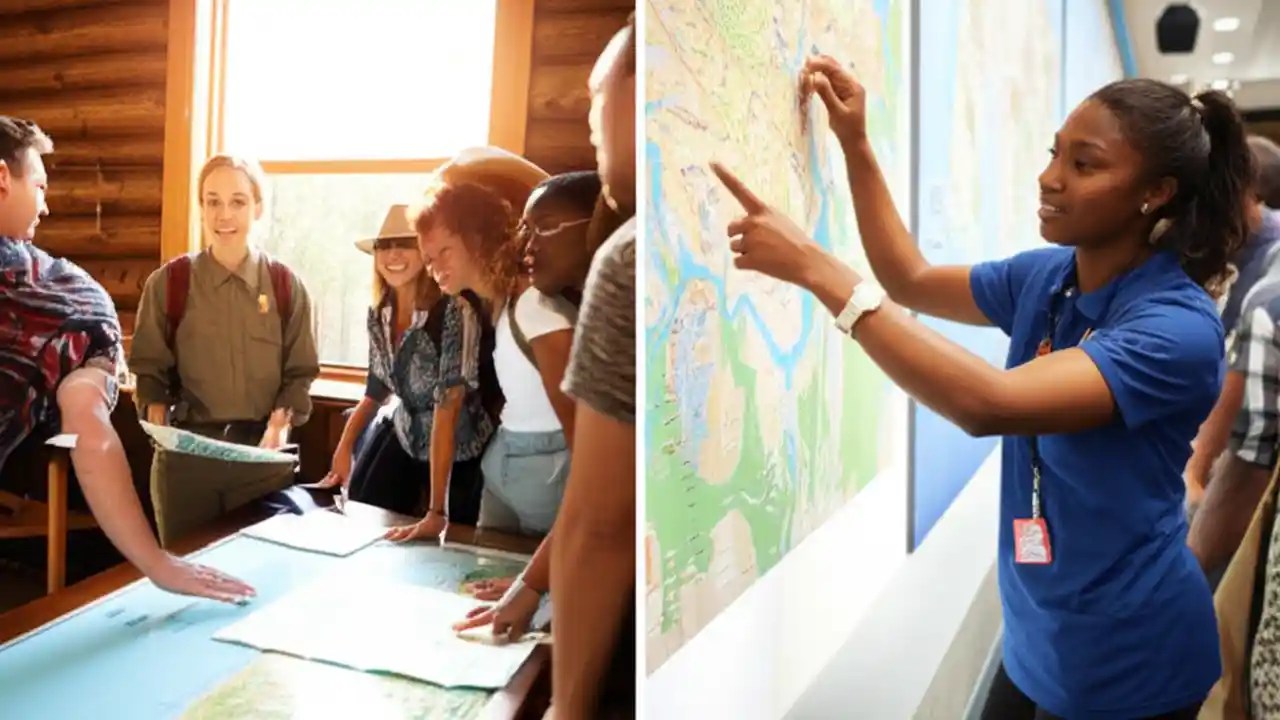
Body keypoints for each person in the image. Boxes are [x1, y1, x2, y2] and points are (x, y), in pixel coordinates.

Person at [711, 62, 1253, 718]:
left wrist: (818, 271)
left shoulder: (1176, 329)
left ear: (1155, 193)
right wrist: (855, 144)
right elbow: (909, 277)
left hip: (1129, 657)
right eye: (1055, 152)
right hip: (1038, 631)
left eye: (1085, 165)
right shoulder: (1049, 276)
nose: (1049, 177)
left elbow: (987, 404)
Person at [0, 116, 253, 603]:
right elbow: (89, 424)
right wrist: (156, 563)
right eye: (40, 185)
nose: (47, 205)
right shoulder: (68, 298)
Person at [129, 154, 319, 546]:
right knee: (186, 577)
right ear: (201, 207)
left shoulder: (287, 287)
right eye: (212, 201)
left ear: (258, 207)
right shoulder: (169, 283)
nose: (224, 214)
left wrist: (279, 424)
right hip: (186, 466)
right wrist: (155, 412)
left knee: (259, 581)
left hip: (261, 463)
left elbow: (300, 373)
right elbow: (149, 372)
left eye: (238, 201)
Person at [450, 171, 604, 635]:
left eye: (546, 227)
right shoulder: (540, 304)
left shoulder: (548, 314)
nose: (527, 245)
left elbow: (596, 477)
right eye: (524, 230)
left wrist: (533, 584)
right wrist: (531, 580)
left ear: (598, 224)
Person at [546, 14, 637, 719]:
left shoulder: (633, 257)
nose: (591, 118)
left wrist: (565, 707)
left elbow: (599, 525)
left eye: (599, 92)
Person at [1183, 136, 1280, 581]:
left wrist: (1198, 469)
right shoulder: (1211, 245)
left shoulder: (1268, 287)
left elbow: (1249, 455)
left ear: (1249, 195)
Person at [314, 205, 445, 516]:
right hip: (404, 425)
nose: (393, 255)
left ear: (424, 251)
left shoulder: (445, 309)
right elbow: (376, 391)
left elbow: (452, 401)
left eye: (404, 245)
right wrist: (344, 448)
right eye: (385, 246)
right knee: (362, 501)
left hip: (451, 433)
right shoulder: (379, 312)